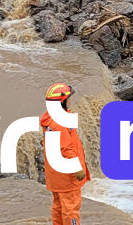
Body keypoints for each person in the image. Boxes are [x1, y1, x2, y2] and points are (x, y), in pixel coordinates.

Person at [41, 83, 89, 225]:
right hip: (67, 175)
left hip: (55, 175)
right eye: (68, 99)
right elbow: (65, 148)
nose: (70, 101)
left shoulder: (49, 119)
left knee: (58, 206)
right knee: (71, 209)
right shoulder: (60, 123)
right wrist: (77, 167)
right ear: (62, 102)